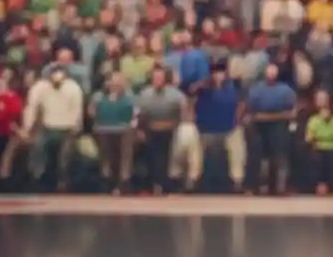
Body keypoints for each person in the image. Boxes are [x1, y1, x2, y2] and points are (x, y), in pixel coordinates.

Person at [187, 62, 246, 193]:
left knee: (238, 139)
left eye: (220, 73)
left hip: (228, 130)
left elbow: (242, 104)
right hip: (205, 131)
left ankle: (237, 180)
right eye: (215, 73)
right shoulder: (203, 89)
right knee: (192, 139)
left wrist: (238, 119)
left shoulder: (233, 89)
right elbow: (191, 94)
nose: (218, 76)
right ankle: (192, 179)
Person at [23, 66, 85, 191]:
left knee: (65, 156)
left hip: (67, 129)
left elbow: (77, 111)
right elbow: (31, 108)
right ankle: (36, 178)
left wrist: (75, 129)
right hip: (47, 128)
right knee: (37, 147)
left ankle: (63, 181)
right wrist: (27, 128)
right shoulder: (40, 87)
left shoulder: (74, 88)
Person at [246, 63, 297, 195]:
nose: (271, 75)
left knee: (280, 157)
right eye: (269, 72)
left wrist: (270, 116)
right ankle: (258, 186)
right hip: (260, 127)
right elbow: (254, 114)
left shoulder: (285, 90)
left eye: (274, 72)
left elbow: (292, 112)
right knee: (259, 157)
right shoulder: (256, 89)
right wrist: (278, 115)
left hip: (279, 127)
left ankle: (280, 187)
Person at [135, 66, 186, 195]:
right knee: (150, 156)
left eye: (160, 78)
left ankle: (167, 185)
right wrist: (139, 130)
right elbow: (139, 115)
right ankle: (150, 185)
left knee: (166, 157)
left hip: (170, 130)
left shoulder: (176, 95)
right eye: (155, 78)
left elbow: (184, 114)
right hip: (150, 130)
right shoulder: (145, 94)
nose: (158, 80)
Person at [89, 71, 137, 194]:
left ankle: (124, 180)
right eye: (113, 82)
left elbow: (135, 115)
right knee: (105, 153)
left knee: (126, 148)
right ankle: (106, 178)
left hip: (124, 129)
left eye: (119, 82)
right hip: (103, 129)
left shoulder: (130, 97)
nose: (115, 85)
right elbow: (91, 112)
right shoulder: (98, 97)